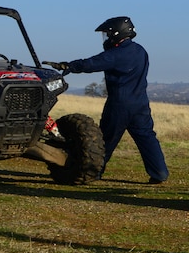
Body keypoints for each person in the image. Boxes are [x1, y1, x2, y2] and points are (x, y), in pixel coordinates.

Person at [46, 16, 169, 184]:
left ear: (117, 33)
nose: (106, 38)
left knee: (104, 141)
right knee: (147, 138)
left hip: (119, 104)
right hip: (140, 103)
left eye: (108, 34)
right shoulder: (141, 51)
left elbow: (92, 63)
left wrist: (69, 66)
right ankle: (159, 173)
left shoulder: (116, 54)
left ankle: (93, 172)